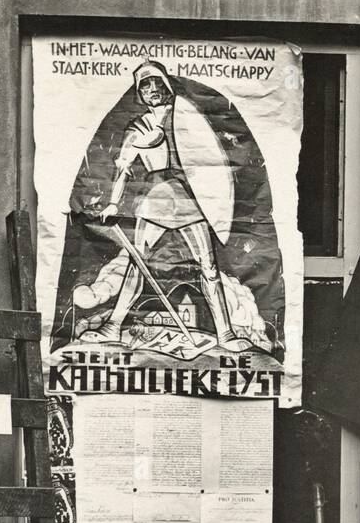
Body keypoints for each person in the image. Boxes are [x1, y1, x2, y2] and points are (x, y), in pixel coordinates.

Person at [73, 59, 251, 352]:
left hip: (187, 198)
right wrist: (114, 203)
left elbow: (206, 160)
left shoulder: (184, 115)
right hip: (155, 199)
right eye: (146, 85)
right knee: (136, 265)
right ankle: (112, 327)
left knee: (208, 267)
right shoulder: (138, 127)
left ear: (166, 86)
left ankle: (226, 334)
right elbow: (124, 169)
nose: (152, 89)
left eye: (157, 83)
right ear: (140, 93)